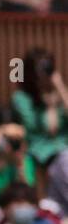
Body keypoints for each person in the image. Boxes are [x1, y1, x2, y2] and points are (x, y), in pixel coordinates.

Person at [11, 48, 68, 215]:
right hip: (36, 151)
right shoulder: (22, 99)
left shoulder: (60, 96)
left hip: (62, 152)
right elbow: (36, 127)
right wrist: (48, 106)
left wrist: (59, 86)